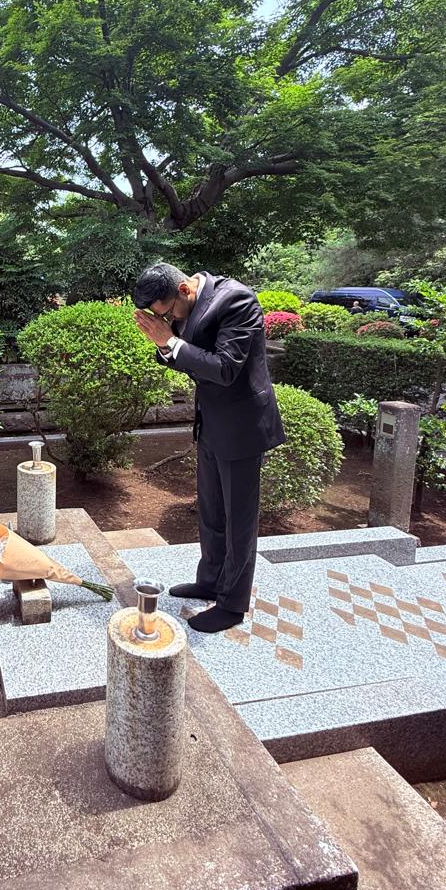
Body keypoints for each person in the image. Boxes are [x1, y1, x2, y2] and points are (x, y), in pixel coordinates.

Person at [131, 264, 285, 633]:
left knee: (239, 522)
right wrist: (167, 344)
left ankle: (232, 605)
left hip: (243, 427)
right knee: (212, 511)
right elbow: (184, 352)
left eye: (166, 312)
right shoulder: (183, 304)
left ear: (184, 289)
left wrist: (169, 341)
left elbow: (226, 368)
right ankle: (211, 580)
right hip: (211, 424)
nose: (164, 321)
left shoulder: (237, 301)